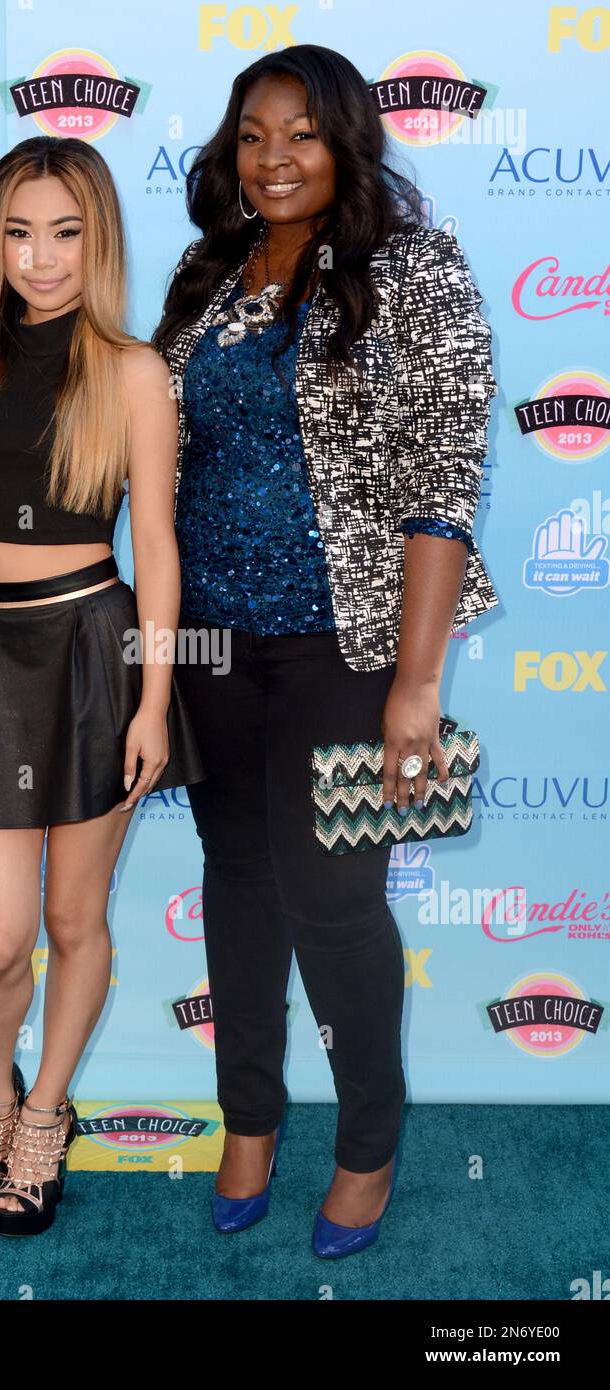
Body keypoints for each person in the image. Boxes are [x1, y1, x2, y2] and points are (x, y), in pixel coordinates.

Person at [153, 44, 498, 1256]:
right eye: (252, 134)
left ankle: (368, 1143)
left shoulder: (412, 267)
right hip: (208, 642)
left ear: (348, 139)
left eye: (300, 132)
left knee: (335, 903)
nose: (274, 157)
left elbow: (442, 478)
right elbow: (160, 459)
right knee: (236, 884)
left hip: (343, 643)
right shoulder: (207, 275)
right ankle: (247, 1122)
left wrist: (417, 681)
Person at [0, 135, 205, 1238]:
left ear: (97, 237)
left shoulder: (128, 370)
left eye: (64, 232)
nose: (42, 256)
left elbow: (156, 545)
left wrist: (156, 700)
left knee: (76, 917)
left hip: (93, 654)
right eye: (19, 232)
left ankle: (46, 1112)